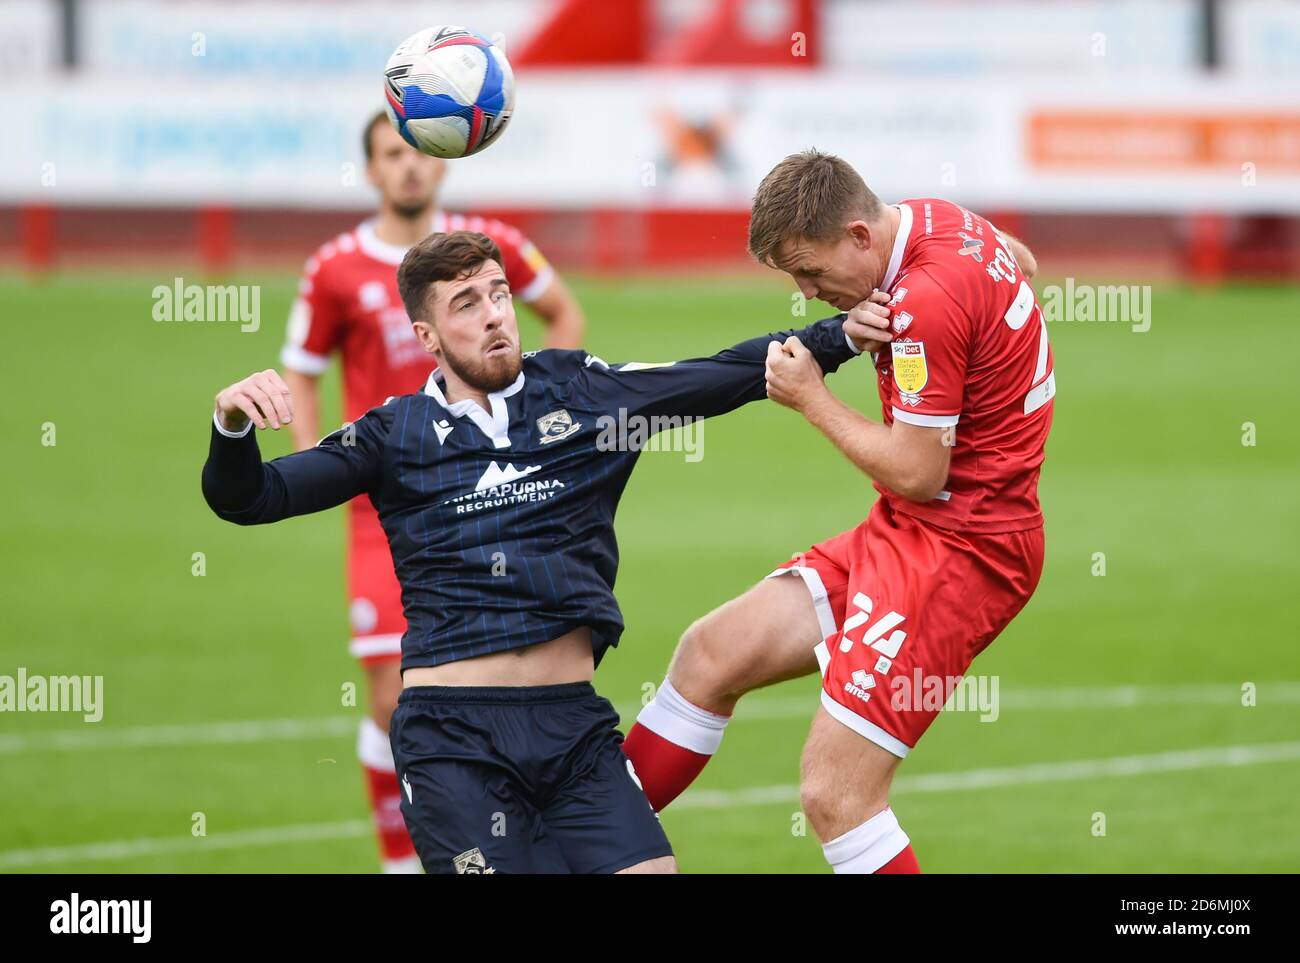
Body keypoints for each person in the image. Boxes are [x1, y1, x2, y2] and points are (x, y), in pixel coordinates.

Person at [202, 230, 870, 874]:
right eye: (466, 304)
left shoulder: (580, 391)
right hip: (453, 743)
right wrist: (231, 426)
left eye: (498, 294)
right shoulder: (392, 435)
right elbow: (252, 497)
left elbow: (717, 374)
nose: (494, 316)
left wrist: (840, 334)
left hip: (572, 727)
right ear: (426, 336)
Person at [623, 150, 1054, 874]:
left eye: (811, 271)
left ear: (858, 234)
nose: (805, 291)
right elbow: (1022, 259)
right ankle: (593, 847)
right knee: (711, 653)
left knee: (835, 793)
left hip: (961, 553)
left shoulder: (924, 301)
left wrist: (812, 399)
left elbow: (919, 472)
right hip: (911, 532)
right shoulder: (941, 222)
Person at [278, 111, 585, 871]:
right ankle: (401, 858)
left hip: (485, 495)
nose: (408, 169)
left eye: (417, 155)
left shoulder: (487, 248)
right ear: (372, 172)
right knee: (390, 701)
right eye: (391, 156)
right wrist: (316, 466)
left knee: (503, 677)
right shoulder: (336, 267)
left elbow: (562, 310)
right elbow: (303, 370)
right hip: (379, 510)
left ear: (446, 160)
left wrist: (550, 417)